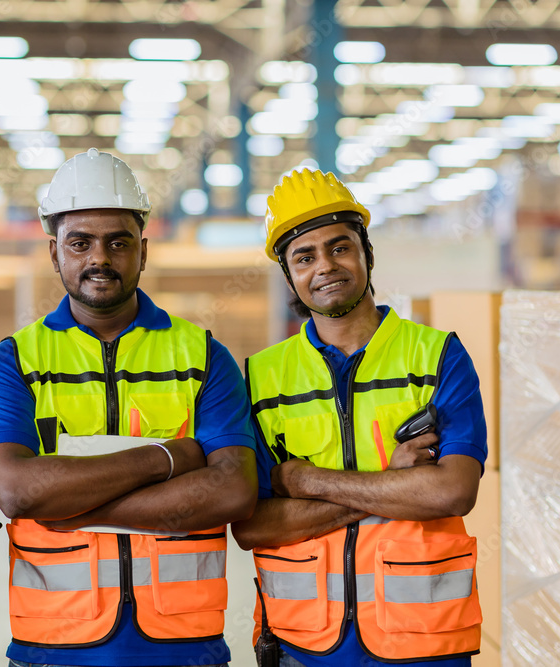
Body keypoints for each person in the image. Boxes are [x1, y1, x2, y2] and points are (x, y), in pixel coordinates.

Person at [0, 148, 258, 667]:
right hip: (54, 648)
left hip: (184, 647)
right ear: (55, 252)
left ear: (143, 252)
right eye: (80, 243)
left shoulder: (203, 356)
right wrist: (167, 459)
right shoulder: (14, 361)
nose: (99, 258)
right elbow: (17, 491)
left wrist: (71, 506)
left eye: (118, 242)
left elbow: (236, 491)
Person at [231, 169, 487, 666]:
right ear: (289, 276)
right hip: (302, 646)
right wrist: (392, 484)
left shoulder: (437, 355)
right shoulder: (261, 376)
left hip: (424, 642)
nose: (325, 266)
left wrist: (305, 479)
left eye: (339, 247)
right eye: (304, 257)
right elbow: (254, 526)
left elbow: (452, 491)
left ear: (367, 253)